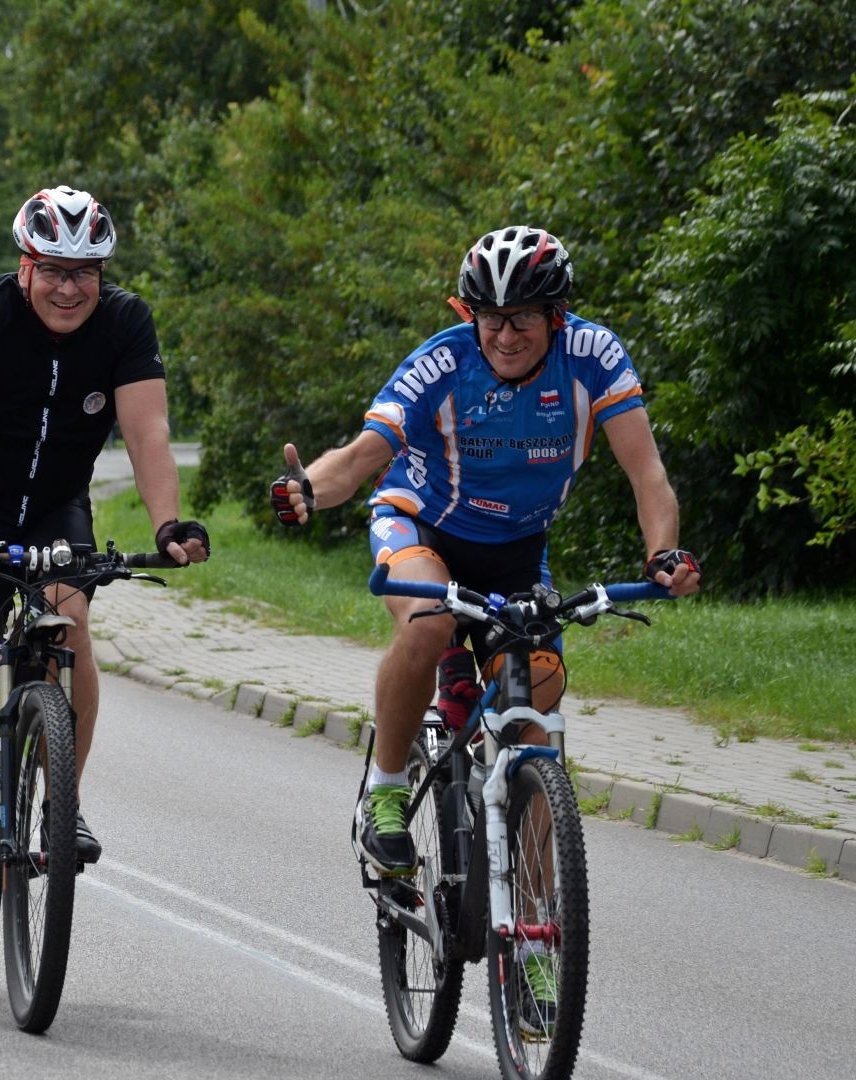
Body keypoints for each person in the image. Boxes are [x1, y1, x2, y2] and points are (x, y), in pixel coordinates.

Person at [272, 224, 701, 889]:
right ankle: (385, 792)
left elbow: (647, 475)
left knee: (538, 719)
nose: (504, 335)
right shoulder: (442, 363)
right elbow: (359, 459)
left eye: (522, 318)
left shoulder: (592, 357)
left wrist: (663, 553)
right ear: (469, 313)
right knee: (427, 620)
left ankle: (535, 934)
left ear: (556, 316)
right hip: (422, 527)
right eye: (490, 318)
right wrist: (307, 490)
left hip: (517, 553)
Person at [0, 185, 210, 893]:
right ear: (25, 265)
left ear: (103, 274)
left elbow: (147, 431)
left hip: (51, 507)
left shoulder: (125, 324)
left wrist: (168, 523)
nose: (69, 288)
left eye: (85, 272)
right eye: (54, 269)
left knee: (68, 626)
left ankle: (63, 803)